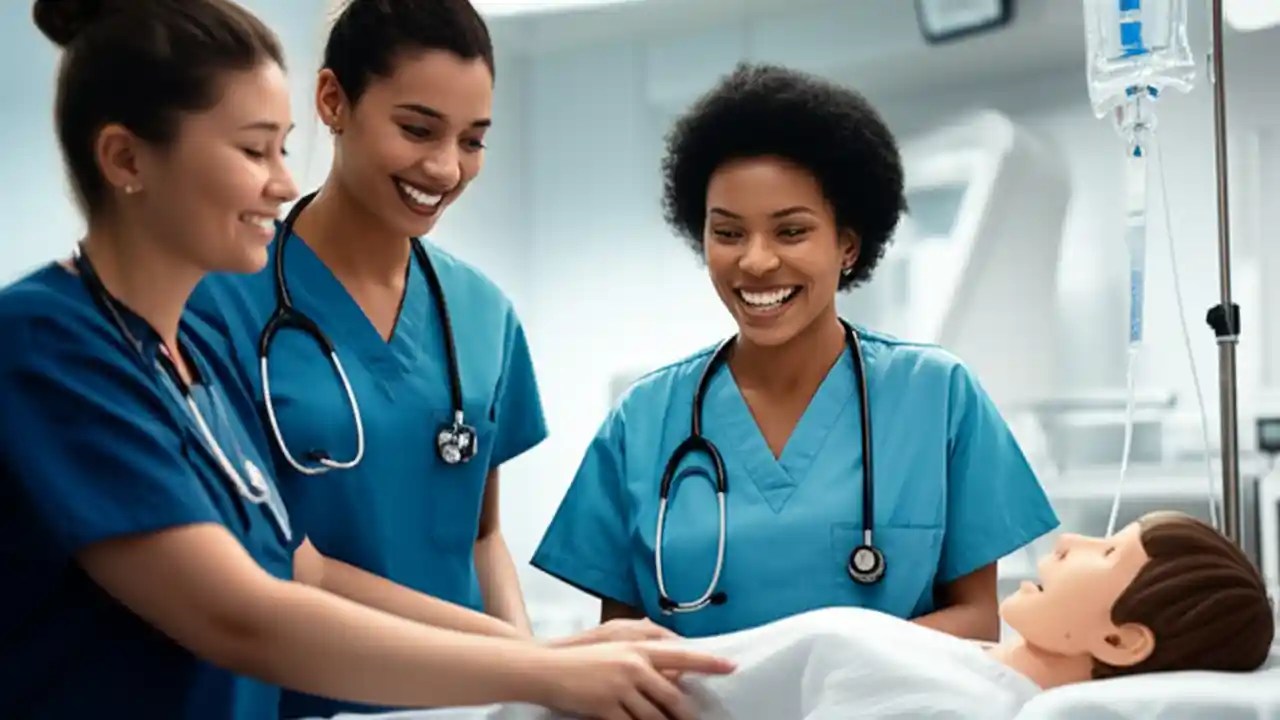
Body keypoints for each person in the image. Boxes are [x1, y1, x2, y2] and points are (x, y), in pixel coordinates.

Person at [0, 2, 734, 718]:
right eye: (255, 150)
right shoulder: (52, 343)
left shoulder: (173, 367)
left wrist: (549, 659)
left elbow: (300, 565)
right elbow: (244, 615)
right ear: (126, 158)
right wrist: (540, 670)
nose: (284, 182)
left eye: (281, 149)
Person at [186, 1, 676, 715]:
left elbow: (481, 538)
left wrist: (530, 692)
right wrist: (524, 662)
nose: (445, 167)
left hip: (464, 705)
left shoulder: (483, 315)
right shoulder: (219, 304)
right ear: (334, 101)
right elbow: (287, 564)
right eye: (416, 128)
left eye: (473, 140)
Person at [532, 62, 1061, 641]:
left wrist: (822, 675)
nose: (755, 261)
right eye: (728, 233)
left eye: (790, 231)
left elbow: (979, 622)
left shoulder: (937, 395)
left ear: (848, 245)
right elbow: (621, 651)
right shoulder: (644, 418)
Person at [369, 512, 1277, 719]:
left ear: (1120, 641)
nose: (1072, 539)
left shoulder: (953, 705)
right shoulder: (963, 672)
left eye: (1109, 551)